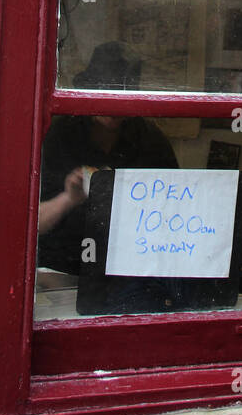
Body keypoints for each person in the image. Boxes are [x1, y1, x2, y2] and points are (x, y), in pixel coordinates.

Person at [38, 41, 176, 277]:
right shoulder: (58, 137)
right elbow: (29, 225)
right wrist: (69, 198)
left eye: (121, 93)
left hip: (130, 272)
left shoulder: (150, 140)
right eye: (104, 90)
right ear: (90, 90)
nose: (112, 105)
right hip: (60, 270)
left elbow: (174, 214)